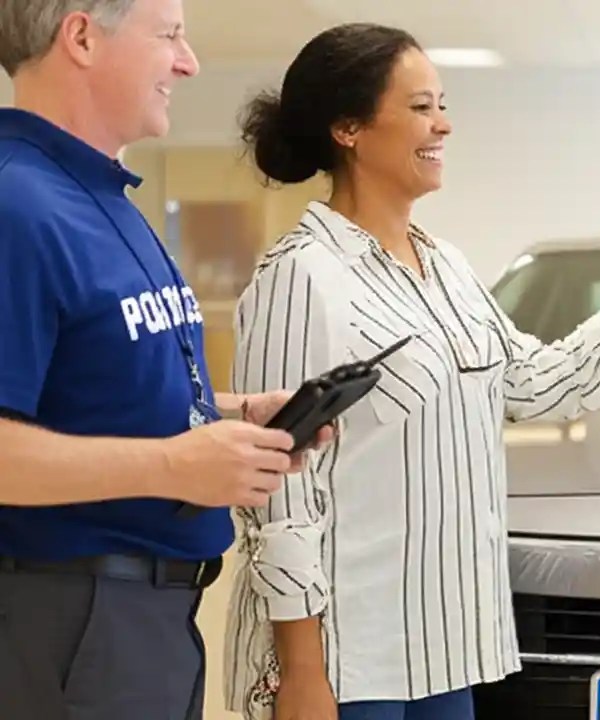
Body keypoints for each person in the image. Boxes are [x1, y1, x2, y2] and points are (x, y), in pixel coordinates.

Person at [220, 23, 600, 720]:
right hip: (351, 659)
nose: (444, 124)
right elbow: (279, 491)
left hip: (446, 647)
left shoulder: (445, 266)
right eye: (421, 106)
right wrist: (303, 669)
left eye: (443, 104)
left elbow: (532, 384)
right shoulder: (303, 276)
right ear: (348, 128)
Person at [0, 1, 331, 719]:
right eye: (171, 37)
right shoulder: (15, 205)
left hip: (142, 618)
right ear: (82, 36)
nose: (188, 63)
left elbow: (92, 389)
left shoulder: (101, 199)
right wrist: (175, 466)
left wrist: (238, 415)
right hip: (68, 616)